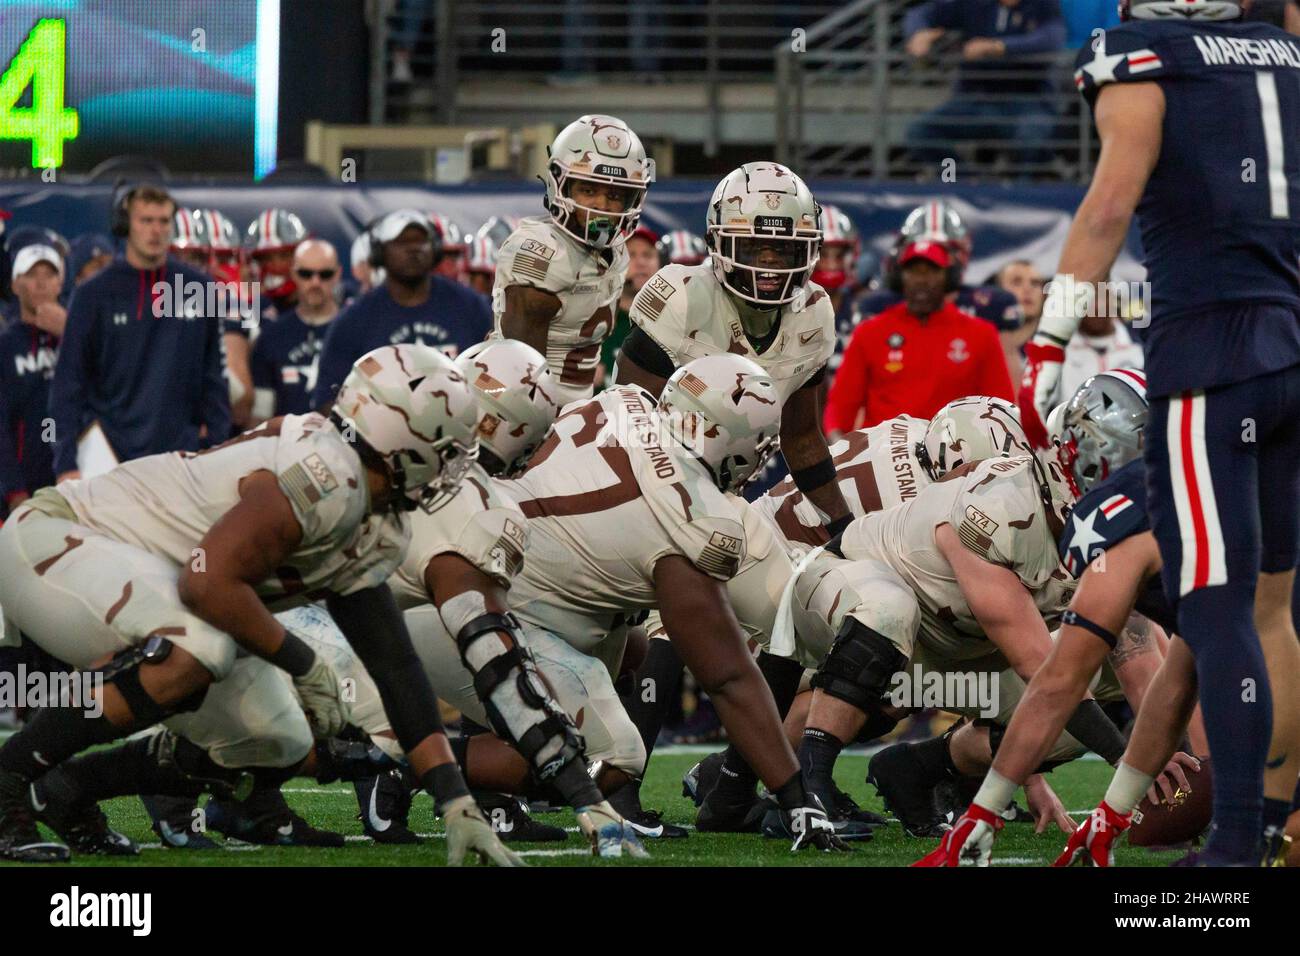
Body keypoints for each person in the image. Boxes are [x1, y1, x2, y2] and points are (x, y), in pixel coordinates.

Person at [0, 344, 518, 866]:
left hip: (144, 580)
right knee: (196, 648)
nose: (453, 466)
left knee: (279, 740)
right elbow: (206, 584)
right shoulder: (324, 475)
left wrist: (457, 802)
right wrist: (304, 662)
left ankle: (68, 789)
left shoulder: (377, 518)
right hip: (55, 538)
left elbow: (396, 666)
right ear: (401, 442)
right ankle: (7, 780)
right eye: (448, 450)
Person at [1018, 0, 1300, 865]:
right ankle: (1279, 826)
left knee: (1214, 611)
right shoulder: (1285, 52)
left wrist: (1048, 338)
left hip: (1210, 357)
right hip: (1290, 347)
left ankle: (1238, 842)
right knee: (1273, 611)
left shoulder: (1141, 49)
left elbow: (1109, 204)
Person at [500, 353, 849, 851]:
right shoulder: (696, 517)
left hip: (483, 560)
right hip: (504, 612)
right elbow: (725, 675)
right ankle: (423, 766)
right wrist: (794, 796)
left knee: (634, 642)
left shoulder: (624, 400)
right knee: (617, 756)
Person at [914, 370, 1201, 864]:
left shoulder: (1111, 518)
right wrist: (1114, 812)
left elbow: (1059, 681)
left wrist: (984, 811)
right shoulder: (1213, 480)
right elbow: (1180, 671)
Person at [48, 183, 230, 483]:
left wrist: (218, 449)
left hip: (179, 460)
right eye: (145, 221)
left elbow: (214, 377)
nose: (155, 230)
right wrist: (65, 462)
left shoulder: (200, 288)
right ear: (125, 226)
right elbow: (68, 384)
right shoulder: (93, 294)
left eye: (163, 221)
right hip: (106, 459)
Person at [492, 114, 654, 406]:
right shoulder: (542, 252)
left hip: (575, 408)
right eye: (588, 190)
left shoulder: (616, 250)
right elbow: (522, 378)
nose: (601, 206)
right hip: (520, 409)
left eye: (615, 194)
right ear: (561, 186)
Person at [825, 238, 1014, 437]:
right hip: (882, 457)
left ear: (948, 278)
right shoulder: (869, 332)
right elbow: (840, 407)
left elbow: (1001, 412)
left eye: (931, 271)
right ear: (900, 278)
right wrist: (839, 452)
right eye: (913, 271)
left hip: (955, 458)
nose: (921, 280)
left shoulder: (981, 335)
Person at [311, 210, 492, 408]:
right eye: (402, 242)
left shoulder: (470, 306)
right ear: (379, 253)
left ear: (435, 249)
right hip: (383, 434)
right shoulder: (353, 320)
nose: (413, 249)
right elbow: (328, 401)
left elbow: (497, 374)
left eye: (421, 241)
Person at [904, 0, 1067, 169]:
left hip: (1028, 102)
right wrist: (918, 32)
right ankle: (962, 180)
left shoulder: (1043, 5)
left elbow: (1051, 39)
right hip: (975, 100)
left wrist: (998, 47)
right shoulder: (973, 4)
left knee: (1033, 137)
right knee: (920, 132)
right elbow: (921, 13)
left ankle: (1019, 188)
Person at [0, 243, 65, 514]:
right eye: (31, 275)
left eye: (49, 275)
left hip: (72, 477)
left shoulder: (77, 337)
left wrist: (69, 333)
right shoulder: (6, 345)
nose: (41, 283)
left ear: (60, 284)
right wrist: (14, 489)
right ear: (16, 285)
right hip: (24, 484)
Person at [227, 209, 308, 427]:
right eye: (266, 258)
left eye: (284, 255)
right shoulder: (246, 309)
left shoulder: (332, 302)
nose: (276, 265)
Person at [250, 239, 342, 420]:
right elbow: (260, 416)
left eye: (325, 274)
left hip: (346, 443)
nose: (315, 282)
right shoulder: (272, 336)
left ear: (338, 274)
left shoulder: (357, 330)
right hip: (286, 443)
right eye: (306, 273)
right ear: (293, 274)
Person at [597, 225, 659, 388]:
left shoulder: (676, 323)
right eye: (631, 255)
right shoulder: (594, 321)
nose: (641, 262)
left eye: (648, 255)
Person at [990, 258, 1046, 381]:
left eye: (1035, 283)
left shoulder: (1057, 349)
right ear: (998, 291)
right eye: (1017, 282)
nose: (1028, 289)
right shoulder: (982, 347)